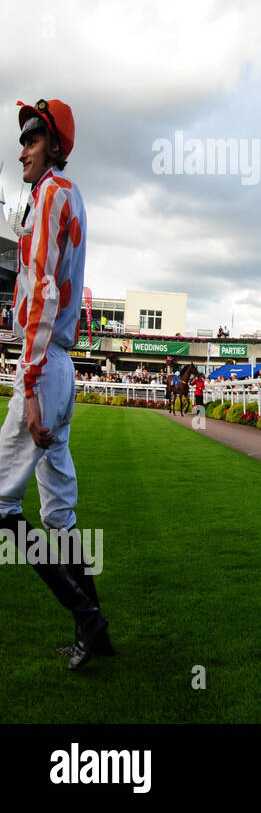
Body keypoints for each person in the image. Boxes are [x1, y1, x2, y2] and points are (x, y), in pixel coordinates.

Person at [0, 98, 112, 670]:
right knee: (60, 513)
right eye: (22, 137)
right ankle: (97, 633)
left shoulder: (49, 194)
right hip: (59, 365)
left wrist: (31, 380)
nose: (21, 148)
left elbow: (43, 289)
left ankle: (88, 621)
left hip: (44, 368)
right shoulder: (66, 195)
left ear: (55, 146)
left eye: (31, 139)